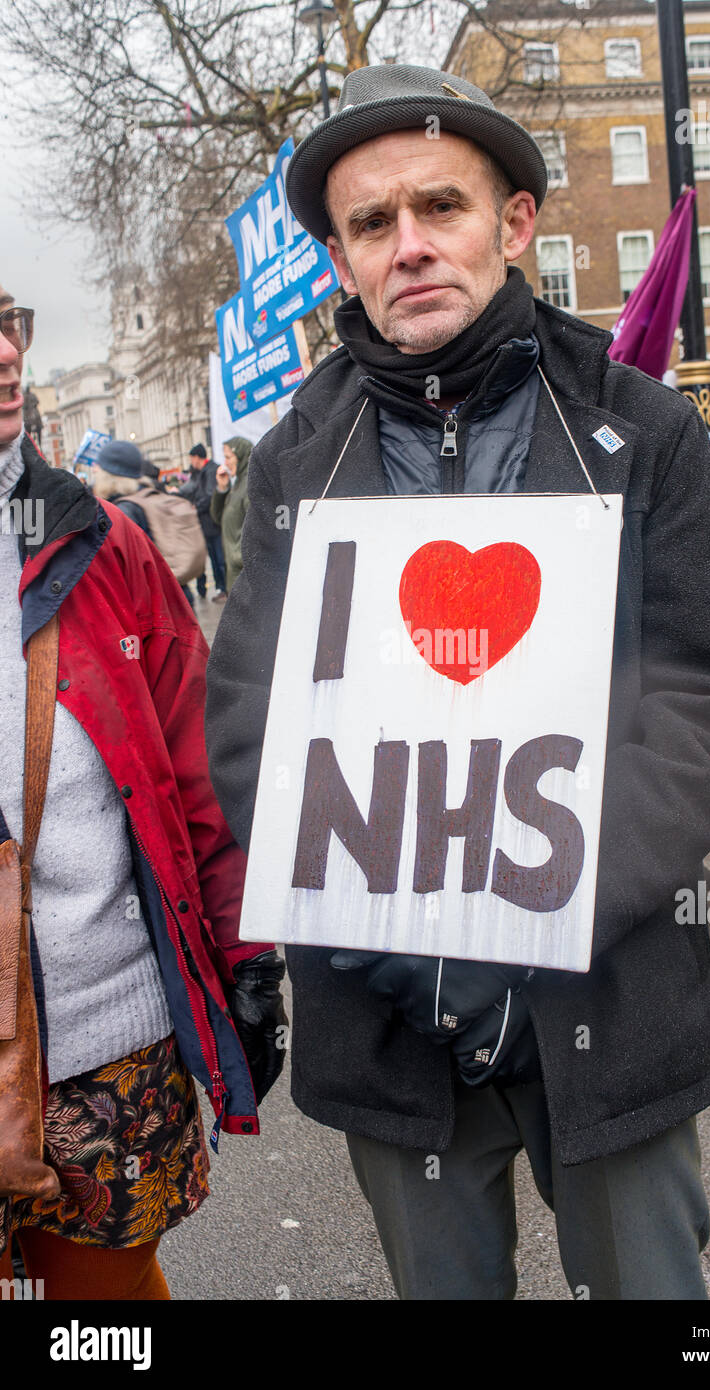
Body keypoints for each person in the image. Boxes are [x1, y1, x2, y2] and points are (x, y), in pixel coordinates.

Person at [205, 65, 710, 1300]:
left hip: (608, 1000)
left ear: (512, 224)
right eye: (371, 224)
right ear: (340, 258)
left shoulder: (640, 429)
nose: (409, 246)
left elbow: (709, 702)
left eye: (440, 207)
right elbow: (248, 727)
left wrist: (540, 904)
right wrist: (385, 924)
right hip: (388, 1022)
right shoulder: (296, 467)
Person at [0, 282, 286, 1299]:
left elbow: (198, 769)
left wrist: (248, 953)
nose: (1, 353)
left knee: (107, 1318)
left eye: (8, 323)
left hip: (101, 1043)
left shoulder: (104, 545)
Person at [90, 440, 203, 609]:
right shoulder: (148, 495)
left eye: (98, 468)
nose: (94, 472)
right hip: (177, 594)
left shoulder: (123, 512)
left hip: (155, 606)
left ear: (108, 476)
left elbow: (123, 572)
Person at [179, 443, 227, 603]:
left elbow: (209, 496)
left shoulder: (211, 470)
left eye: (191, 458)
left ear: (197, 457)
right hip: (206, 525)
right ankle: (220, 588)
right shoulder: (198, 473)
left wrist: (195, 507)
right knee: (213, 559)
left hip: (214, 522)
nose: (191, 461)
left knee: (220, 559)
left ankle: (225, 588)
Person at [210, 436, 251, 594]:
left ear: (240, 456)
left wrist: (237, 558)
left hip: (244, 574)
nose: (225, 463)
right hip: (235, 572)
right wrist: (222, 489)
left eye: (228, 457)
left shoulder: (249, 484)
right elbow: (217, 518)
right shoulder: (237, 484)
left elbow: (256, 527)